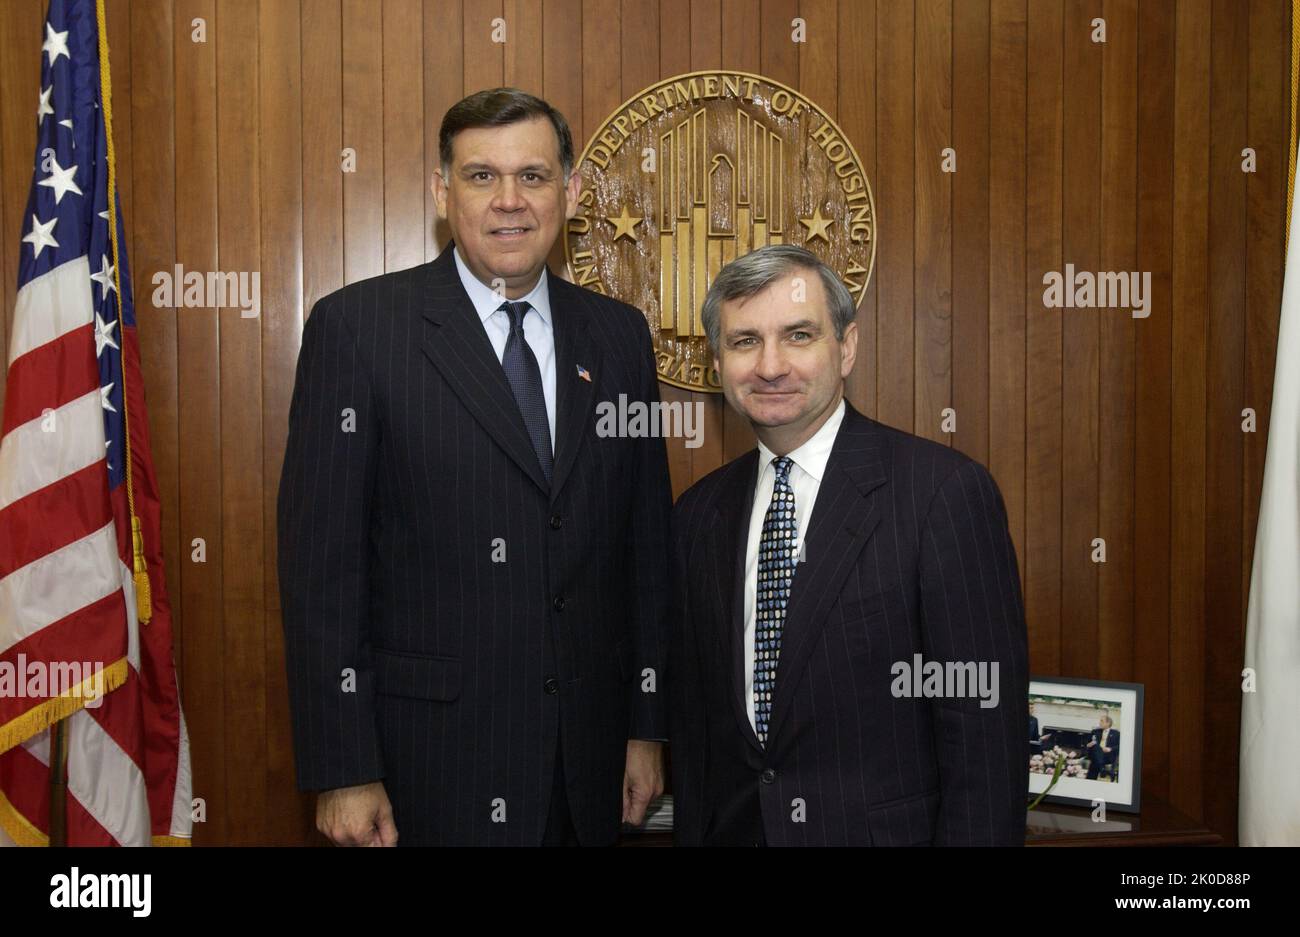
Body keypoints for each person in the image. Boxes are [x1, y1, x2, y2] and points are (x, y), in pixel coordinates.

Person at [278, 88, 671, 846]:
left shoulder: (619, 338)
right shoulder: (358, 331)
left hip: (586, 769)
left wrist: (647, 727)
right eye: (481, 176)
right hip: (426, 768)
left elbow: (646, 549)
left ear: (572, 191)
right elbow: (321, 576)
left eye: (533, 175)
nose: (509, 201)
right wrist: (343, 767)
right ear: (441, 191)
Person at [669, 244, 1029, 845]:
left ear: (848, 347)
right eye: (745, 341)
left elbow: (983, 731)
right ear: (717, 362)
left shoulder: (941, 493)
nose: (771, 365)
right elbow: (698, 727)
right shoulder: (698, 514)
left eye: (799, 335)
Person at [1085, 714, 1120, 781]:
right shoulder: (1095, 731)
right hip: (1096, 757)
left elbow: (1120, 747)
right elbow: (1087, 744)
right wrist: (1089, 744)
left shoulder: (1116, 733)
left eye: (1102, 721)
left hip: (1108, 757)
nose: (1099, 722)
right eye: (1100, 721)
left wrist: (1110, 749)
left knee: (1095, 763)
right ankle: (1102, 768)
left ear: (1108, 723)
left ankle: (1101, 768)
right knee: (1095, 746)